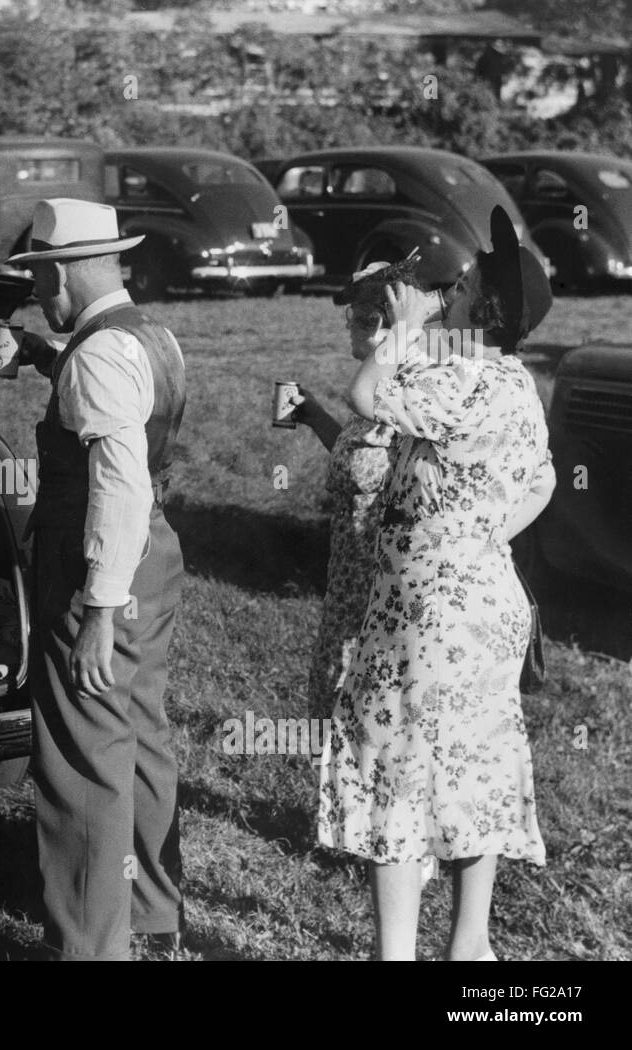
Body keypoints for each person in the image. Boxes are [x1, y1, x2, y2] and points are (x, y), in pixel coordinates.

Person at [318, 206, 555, 961]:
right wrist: (474, 537)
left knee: (398, 769)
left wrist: (397, 328)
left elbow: (364, 397)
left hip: (424, 613)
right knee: (474, 766)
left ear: (482, 302)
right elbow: (541, 481)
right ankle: (470, 945)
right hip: (489, 599)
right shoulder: (519, 385)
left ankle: (395, 955)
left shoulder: (461, 373)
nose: (455, 281)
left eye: (471, 276)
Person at [4, 199, 187, 961]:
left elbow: (115, 483)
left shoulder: (96, 356)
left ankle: (89, 944)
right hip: (153, 556)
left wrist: (98, 608)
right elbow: (123, 417)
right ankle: (151, 914)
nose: (37, 294)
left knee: (82, 755)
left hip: (98, 565)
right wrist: (44, 355)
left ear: (61, 269)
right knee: (141, 734)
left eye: (38, 277)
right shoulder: (147, 334)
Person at [287, 260, 403, 719]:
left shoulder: (402, 389)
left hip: (382, 589)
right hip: (349, 584)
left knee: (367, 713)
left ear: (383, 325)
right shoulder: (374, 386)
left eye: (358, 317)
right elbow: (365, 463)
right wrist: (316, 416)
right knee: (333, 703)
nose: (349, 327)